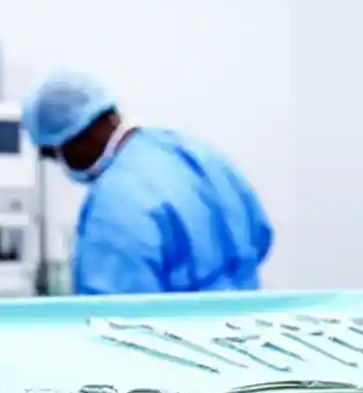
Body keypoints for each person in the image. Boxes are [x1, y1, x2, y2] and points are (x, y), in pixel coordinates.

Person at [22, 71, 274, 295]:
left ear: (76, 140)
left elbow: (113, 312)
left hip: (172, 340)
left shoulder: (115, 203)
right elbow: (260, 235)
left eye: (55, 153)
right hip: (241, 329)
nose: (60, 163)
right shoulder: (192, 151)